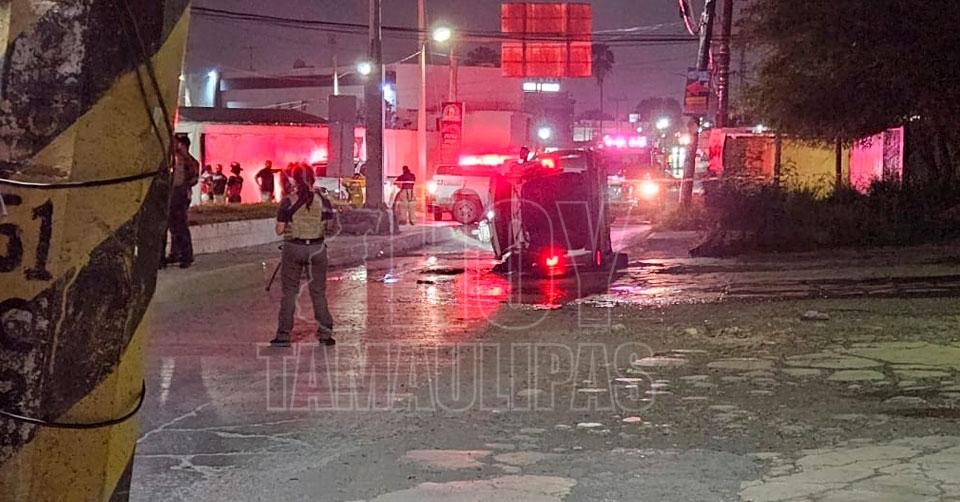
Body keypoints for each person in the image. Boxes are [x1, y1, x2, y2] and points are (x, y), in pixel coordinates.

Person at [271, 164, 336, 348]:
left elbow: (279, 230)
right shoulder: (323, 201)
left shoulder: (287, 201)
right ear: (313, 179)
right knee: (318, 293)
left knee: (289, 293)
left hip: (293, 248)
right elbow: (330, 226)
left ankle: (283, 335)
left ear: (294, 180)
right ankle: (325, 334)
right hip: (317, 249)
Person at [163, 135, 199, 269]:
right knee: (172, 226)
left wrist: (184, 187)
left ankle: (186, 255)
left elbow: (194, 178)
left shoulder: (188, 161)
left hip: (180, 195)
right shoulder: (171, 158)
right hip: (171, 195)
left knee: (180, 226)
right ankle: (175, 253)